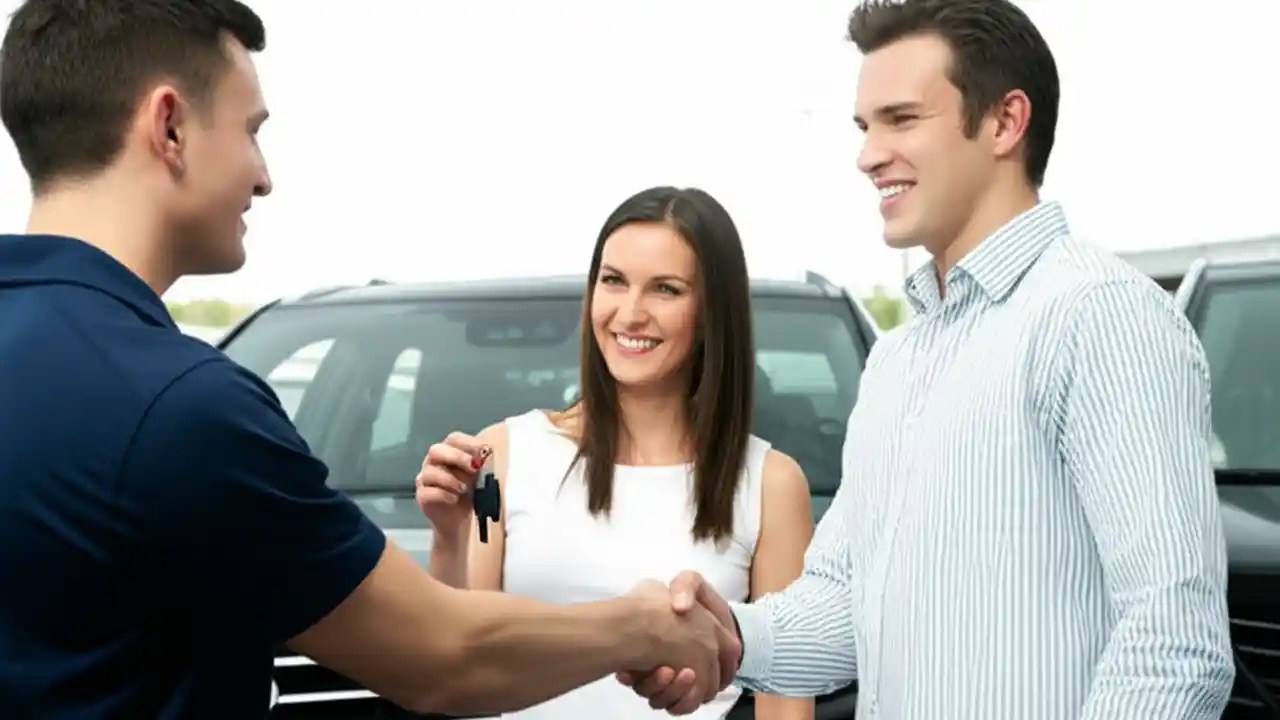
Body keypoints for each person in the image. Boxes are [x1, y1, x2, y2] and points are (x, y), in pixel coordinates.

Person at [0, 2, 739, 718]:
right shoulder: (179, 406)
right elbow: (443, 657)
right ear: (169, 126)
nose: (263, 176)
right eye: (250, 131)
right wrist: (644, 623)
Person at [623, 0, 1237, 718]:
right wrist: (730, 634)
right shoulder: (899, 358)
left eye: (901, 119)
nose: (868, 154)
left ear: (1006, 122)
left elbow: (1172, 642)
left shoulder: (1097, 316)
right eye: (864, 126)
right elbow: (847, 603)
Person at [414, 185, 817, 719]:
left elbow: (786, 702)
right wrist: (450, 533)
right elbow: (453, 661)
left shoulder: (770, 483)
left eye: (665, 290)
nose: (630, 313)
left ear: (711, 313)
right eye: (613, 281)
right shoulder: (505, 455)